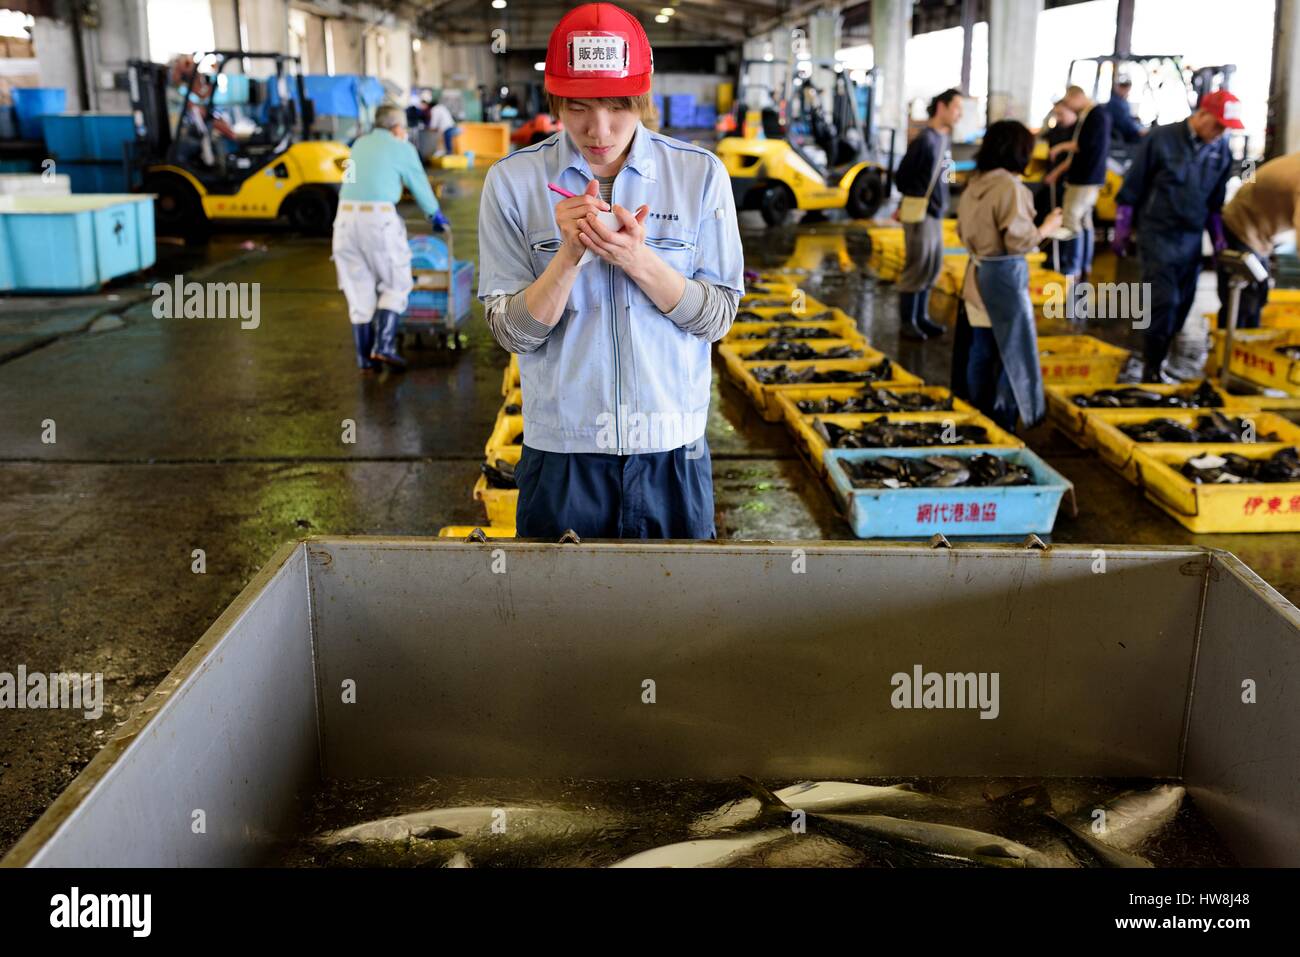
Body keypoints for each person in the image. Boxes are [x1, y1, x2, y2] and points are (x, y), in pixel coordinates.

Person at [477, 2, 743, 540]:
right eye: (577, 108)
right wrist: (568, 255)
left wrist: (637, 260)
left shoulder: (699, 176)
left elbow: (717, 317)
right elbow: (511, 333)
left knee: (678, 614)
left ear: (642, 98)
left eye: (618, 107)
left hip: (674, 451)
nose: (598, 130)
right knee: (561, 618)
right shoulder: (512, 184)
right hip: (562, 454)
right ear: (554, 100)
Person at [1114, 90, 1242, 382]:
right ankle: (1151, 367)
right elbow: (1132, 185)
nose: (1220, 133)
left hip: (1191, 239)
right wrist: (1123, 226)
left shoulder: (1220, 151)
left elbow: (1214, 203)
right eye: (1218, 125)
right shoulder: (1161, 138)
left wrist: (1218, 237)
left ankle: (1159, 363)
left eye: (1226, 129)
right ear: (1202, 114)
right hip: (1158, 233)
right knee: (1164, 302)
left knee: (1182, 304)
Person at [952, 120, 1063, 432]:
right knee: (1009, 352)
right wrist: (1047, 227)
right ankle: (1001, 417)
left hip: (976, 273)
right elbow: (1020, 240)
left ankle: (977, 409)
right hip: (1003, 278)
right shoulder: (1009, 188)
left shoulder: (975, 182)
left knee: (980, 347)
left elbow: (962, 231)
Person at [334, 104, 450, 373]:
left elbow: (348, 180)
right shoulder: (401, 148)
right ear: (397, 128)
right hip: (377, 219)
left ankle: (364, 359)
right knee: (397, 282)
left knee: (358, 288)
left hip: (343, 220)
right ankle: (383, 346)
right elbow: (418, 183)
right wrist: (434, 214)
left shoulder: (359, 144)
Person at [893, 89, 963, 340]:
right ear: (942, 107)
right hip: (920, 213)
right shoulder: (925, 141)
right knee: (917, 267)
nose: (960, 114)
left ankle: (921, 317)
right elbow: (901, 177)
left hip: (936, 213)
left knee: (932, 267)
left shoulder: (944, 139)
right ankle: (907, 322)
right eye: (956, 108)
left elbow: (946, 175)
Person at [1218, 152, 1300, 328]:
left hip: (1261, 232)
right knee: (1246, 297)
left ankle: (1247, 341)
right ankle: (1233, 347)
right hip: (1242, 224)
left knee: (1259, 294)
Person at [1044, 85, 1111, 296]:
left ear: (1078, 96)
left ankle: (1072, 268)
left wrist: (1062, 148)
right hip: (1089, 178)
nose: (1067, 106)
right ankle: (1083, 266)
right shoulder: (1092, 116)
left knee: (1071, 220)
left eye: (1068, 102)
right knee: (1084, 222)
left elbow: (1083, 147)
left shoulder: (1095, 116)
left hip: (1084, 179)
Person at [1105, 75, 1144, 146]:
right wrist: (1138, 130)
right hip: (1122, 133)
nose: (1127, 91)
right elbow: (1124, 122)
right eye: (1124, 88)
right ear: (1118, 88)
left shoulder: (1123, 101)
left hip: (1128, 129)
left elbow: (1127, 118)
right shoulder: (1115, 103)